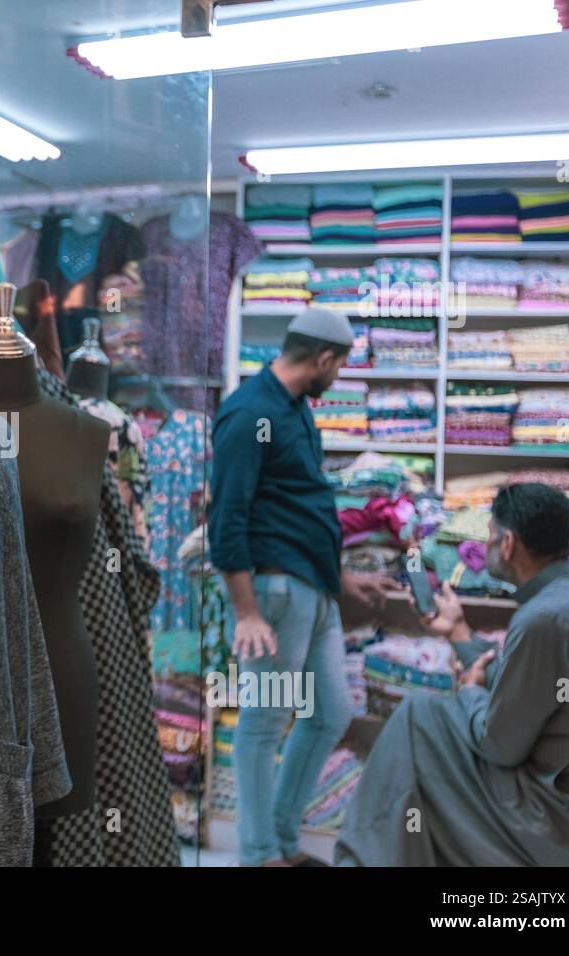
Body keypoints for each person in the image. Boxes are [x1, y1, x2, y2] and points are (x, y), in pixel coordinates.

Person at [335, 483, 569, 865]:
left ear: (508, 544)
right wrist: (458, 633)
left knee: (420, 716)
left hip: (557, 820)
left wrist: (471, 691)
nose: (486, 546)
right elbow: (530, 682)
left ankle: (361, 859)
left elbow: (499, 745)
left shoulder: (542, 618)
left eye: (489, 535)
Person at [209, 308, 388, 867]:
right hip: (273, 594)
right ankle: (261, 855)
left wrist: (342, 578)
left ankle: (283, 841)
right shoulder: (249, 413)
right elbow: (226, 517)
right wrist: (247, 611)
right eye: (340, 366)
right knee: (264, 722)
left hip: (314, 592)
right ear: (324, 358)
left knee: (330, 712)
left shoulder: (293, 408)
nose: (338, 377)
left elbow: (301, 504)